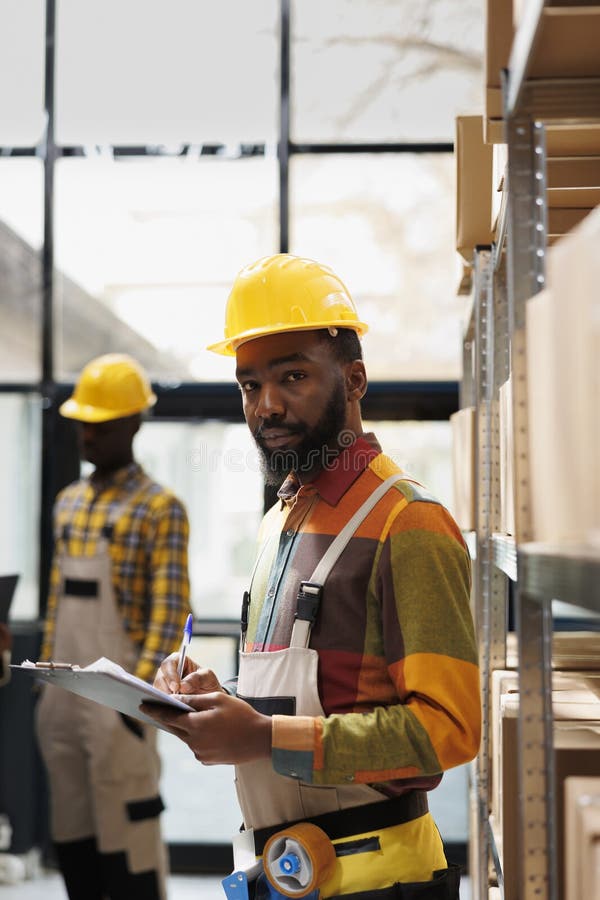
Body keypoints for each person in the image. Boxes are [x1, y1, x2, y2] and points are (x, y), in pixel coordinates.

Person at [145, 255, 481, 899]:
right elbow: (320, 686)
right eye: (248, 386)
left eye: (292, 376)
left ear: (354, 379)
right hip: (287, 870)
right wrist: (224, 700)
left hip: (377, 877)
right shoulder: (280, 521)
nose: (266, 405)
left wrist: (265, 737)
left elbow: (449, 730)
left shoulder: (409, 522)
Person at [36, 353, 191, 900]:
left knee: (129, 832)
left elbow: (168, 613)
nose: (86, 435)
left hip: (119, 699)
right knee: (73, 829)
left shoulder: (159, 508)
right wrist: (43, 684)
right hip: (63, 696)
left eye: (99, 424)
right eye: (82, 423)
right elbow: (58, 599)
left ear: (133, 424)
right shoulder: (67, 504)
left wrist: (138, 702)